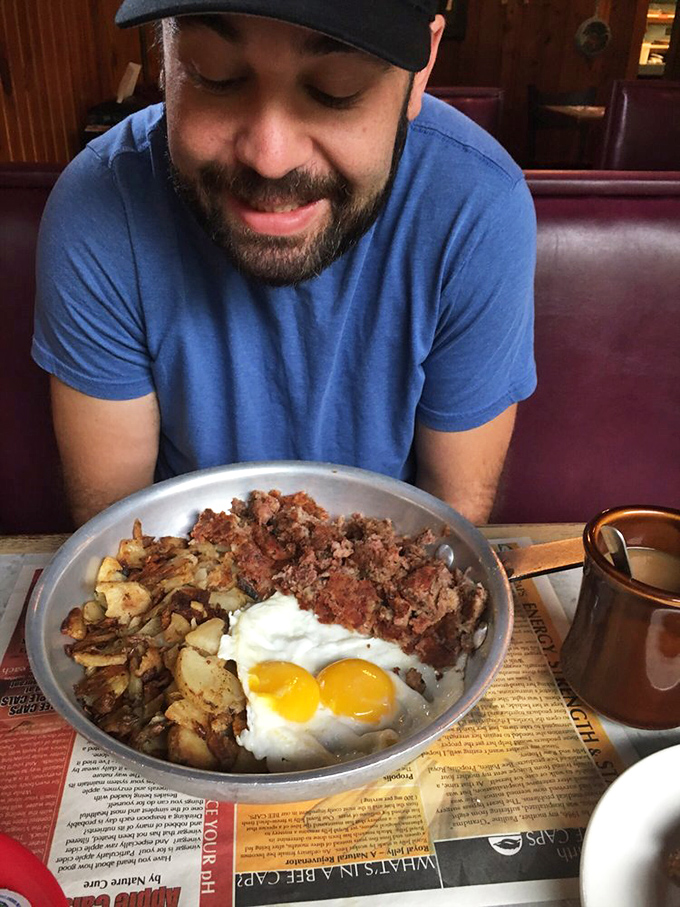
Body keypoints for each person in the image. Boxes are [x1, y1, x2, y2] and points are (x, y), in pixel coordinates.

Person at [32, 0, 537, 528]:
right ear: (165, 53)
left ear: (419, 72)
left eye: (336, 89)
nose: (270, 157)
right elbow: (116, 546)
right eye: (214, 76)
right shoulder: (99, 205)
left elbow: (452, 526)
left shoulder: (478, 209)